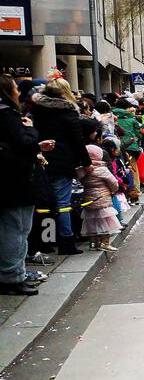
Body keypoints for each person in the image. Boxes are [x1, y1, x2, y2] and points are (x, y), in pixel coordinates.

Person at [28, 80, 90, 256]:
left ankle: (45, 242)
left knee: (43, 203)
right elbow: (77, 140)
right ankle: (66, 242)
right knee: (63, 203)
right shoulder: (68, 111)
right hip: (62, 161)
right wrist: (86, 162)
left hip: (40, 158)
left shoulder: (35, 109)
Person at [0, 74, 42, 295]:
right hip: (15, 182)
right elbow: (24, 143)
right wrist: (31, 129)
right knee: (16, 230)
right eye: (15, 87)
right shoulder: (7, 114)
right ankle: (12, 277)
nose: (18, 91)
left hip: (13, 181)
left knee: (18, 229)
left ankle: (16, 274)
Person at [78, 144, 123, 252]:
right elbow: (113, 183)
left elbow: (81, 181)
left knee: (92, 222)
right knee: (106, 222)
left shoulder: (82, 170)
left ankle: (93, 243)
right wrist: (113, 190)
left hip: (89, 200)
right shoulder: (102, 169)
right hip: (102, 199)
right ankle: (105, 243)